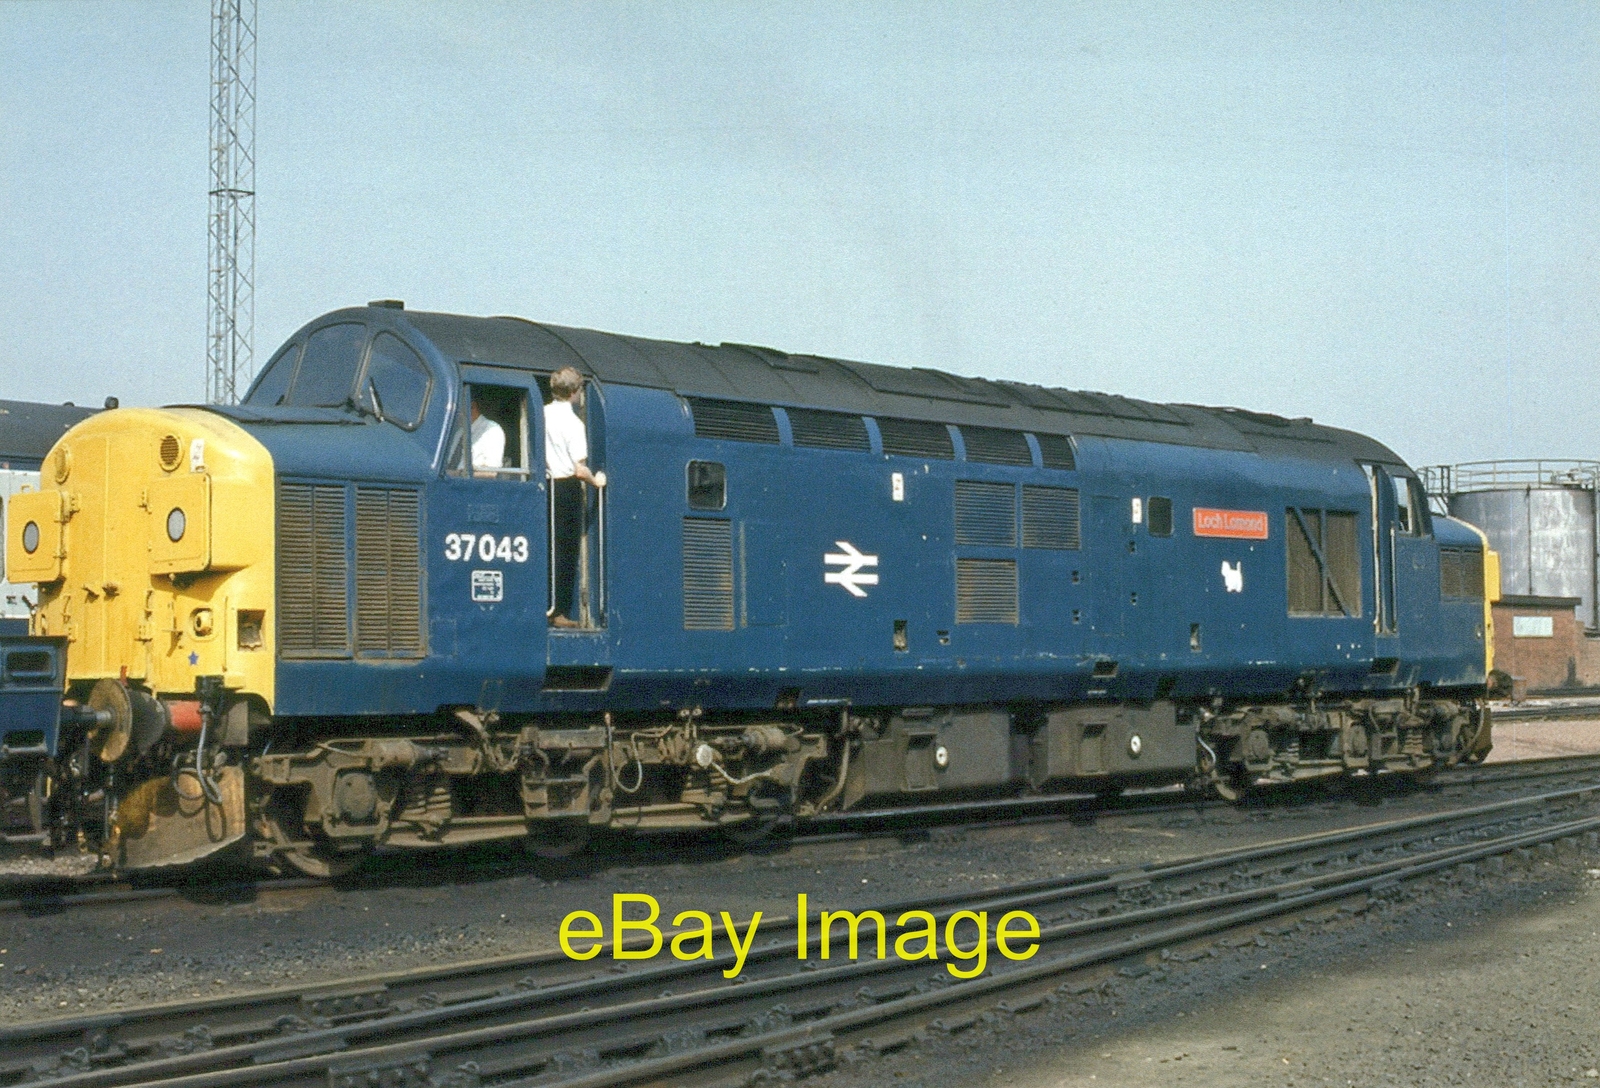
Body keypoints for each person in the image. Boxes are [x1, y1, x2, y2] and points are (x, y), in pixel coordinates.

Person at [545, 367, 605, 627]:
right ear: (574, 392)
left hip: (544, 485)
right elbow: (579, 469)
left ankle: (547, 606)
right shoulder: (573, 423)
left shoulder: (542, 414)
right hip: (565, 488)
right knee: (566, 551)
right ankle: (559, 612)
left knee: (549, 548)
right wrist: (597, 481)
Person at [470, 394, 505, 476]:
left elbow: (491, 472)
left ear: (473, 406)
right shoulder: (459, 432)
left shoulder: (492, 430)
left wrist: (459, 474)